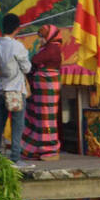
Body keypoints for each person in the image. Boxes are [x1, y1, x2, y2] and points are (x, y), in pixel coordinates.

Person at [0, 13, 31, 167]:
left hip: (0, 88)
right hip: (16, 90)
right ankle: (15, 157)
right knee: (17, 124)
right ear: (16, 29)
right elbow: (27, 68)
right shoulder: (17, 46)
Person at [20, 24, 63, 161]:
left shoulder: (52, 49)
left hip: (47, 86)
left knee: (45, 118)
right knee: (38, 118)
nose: (40, 40)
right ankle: (35, 149)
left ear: (49, 36)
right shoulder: (49, 48)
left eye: (42, 37)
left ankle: (49, 149)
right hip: (42, 87)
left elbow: (34, 61)